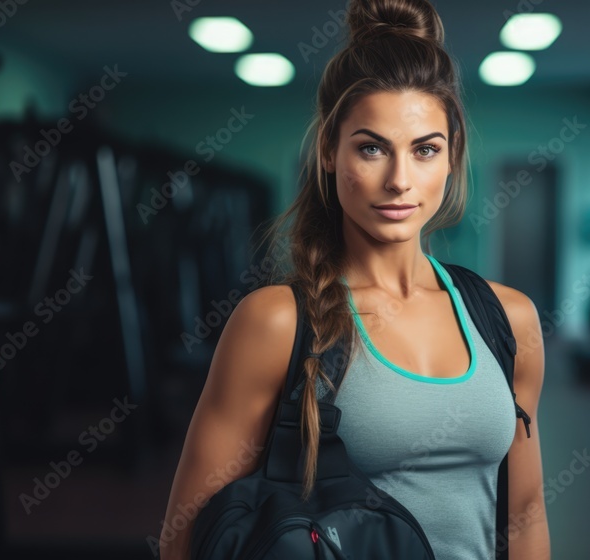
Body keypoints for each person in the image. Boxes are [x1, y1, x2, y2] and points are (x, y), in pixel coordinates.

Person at [157, 1, 551, 558]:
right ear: (327, 151)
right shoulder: (276, 322)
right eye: (371, 148)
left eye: (425, 150)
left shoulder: (507, 319)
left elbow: (527, 518)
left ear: (451, 156)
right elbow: (186, 539)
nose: (399, 179)